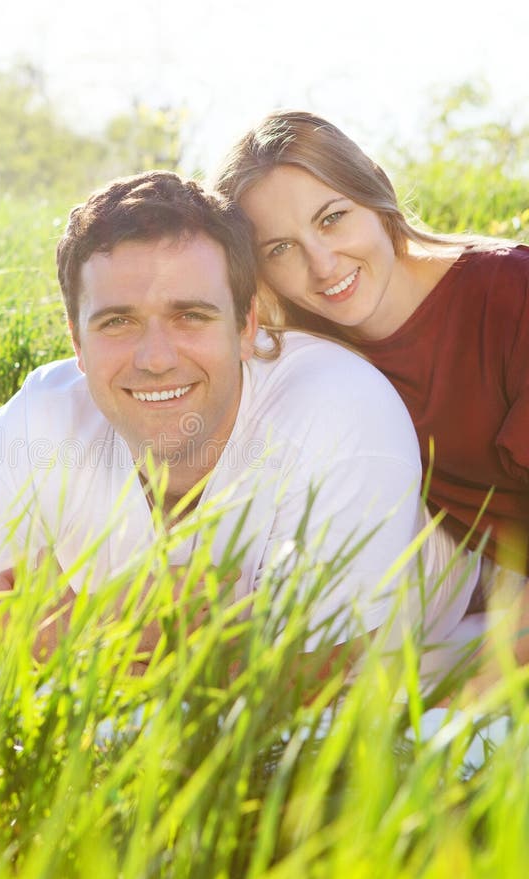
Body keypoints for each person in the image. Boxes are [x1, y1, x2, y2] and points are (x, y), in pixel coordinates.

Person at [0, 170, 476, 678]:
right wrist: (110, 625)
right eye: (118, 322)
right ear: (76, 342)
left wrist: (52, 625)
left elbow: (310, 678)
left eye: (190, 316)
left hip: (474, 599)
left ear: (246, 326)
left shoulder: (338, 408)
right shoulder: (45, 413)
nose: (155, 359)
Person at [213, 110, 529, 580]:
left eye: (332, 218)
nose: (323, 265)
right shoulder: (304, 354)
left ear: (376, 194)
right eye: (281, 248)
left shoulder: (512, 293)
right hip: (460, 571)